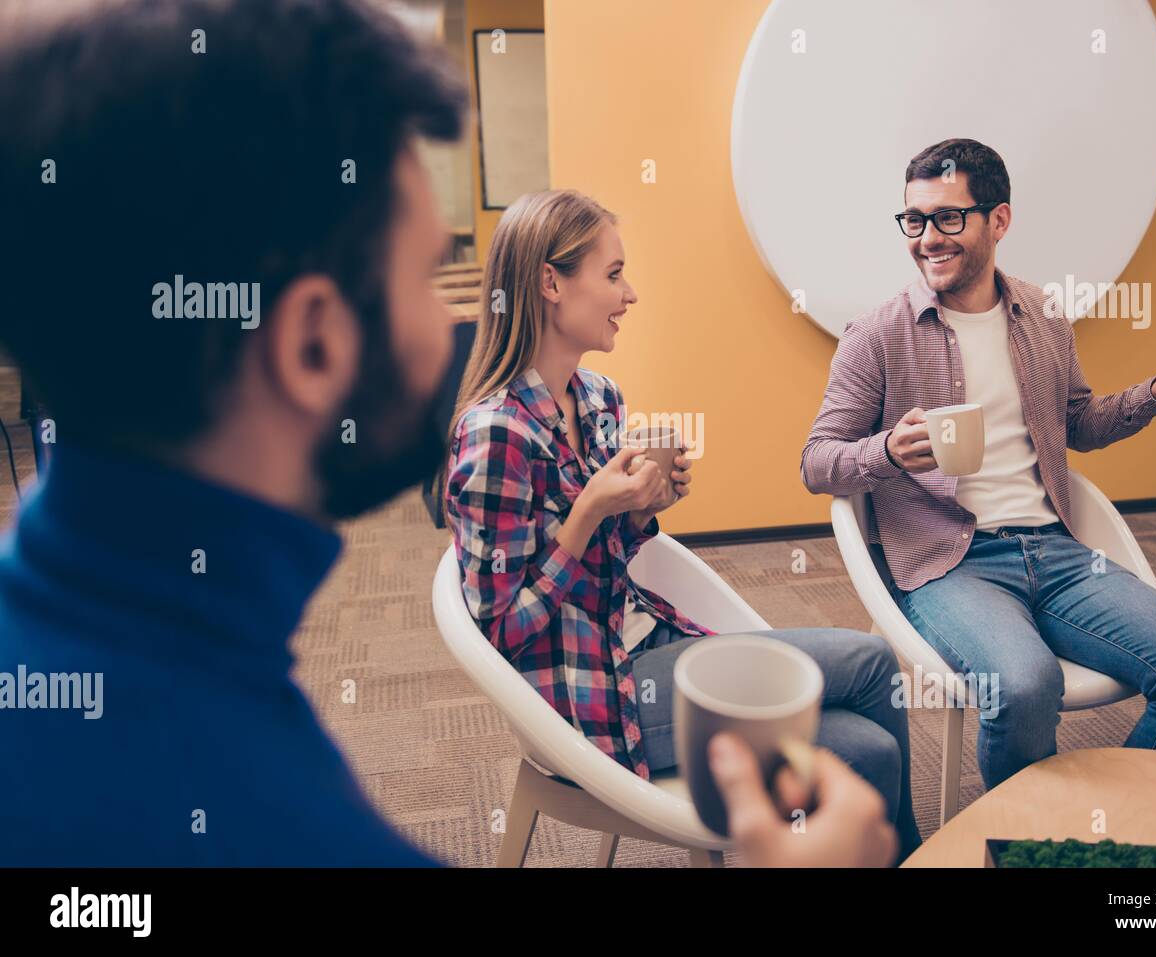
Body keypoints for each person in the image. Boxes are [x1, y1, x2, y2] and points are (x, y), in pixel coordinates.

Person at [0, 0, 895, 869]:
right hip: (597, 691)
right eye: (426, 278)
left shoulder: (78, 655)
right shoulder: (291, 827)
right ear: (313, 341)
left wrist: (635, 502)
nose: (449, 324)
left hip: (634, 642)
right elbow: (510, 615)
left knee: (862, 731)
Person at [442, 189, 922, 863]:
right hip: (591, 692)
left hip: (648, 644)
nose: (630, 292)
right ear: (551, 282)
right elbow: (501, 631)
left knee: (870, 715)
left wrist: (637, 510)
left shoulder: (597, 397)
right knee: (871, 683)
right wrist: (589, 512)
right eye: (612, 275)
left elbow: (612, 559)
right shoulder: (495, 436)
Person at [802, 138, 1156, 792]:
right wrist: (887, 450)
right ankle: (1029, 842)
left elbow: (1081, 425)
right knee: (1024, 684)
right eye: (915, 220)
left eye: (948, 218)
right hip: (950, 563)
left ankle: (1106, 838)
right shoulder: (877, 335)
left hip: (1061, 554)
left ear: (998, 220)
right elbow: (817, 462)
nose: (928, 237)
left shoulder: (1042, 315)